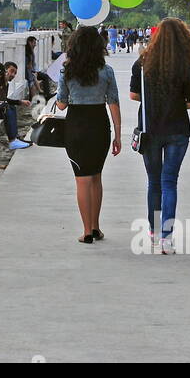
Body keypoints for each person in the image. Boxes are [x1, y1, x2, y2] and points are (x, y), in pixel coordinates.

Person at [129, 18, 190, 254]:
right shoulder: (186, 65)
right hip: (177, 129)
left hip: (150, 129)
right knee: (170, 182)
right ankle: (167, 239)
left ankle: (154, 231)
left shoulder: (142, 62)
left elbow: (133, 95)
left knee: (154, 182)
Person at [55, 26, 123, 244]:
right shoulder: (107, 71)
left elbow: (62, 104)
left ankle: (85, 231)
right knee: (95, 177)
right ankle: (95, 227)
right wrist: (118, 135)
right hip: (99, 124)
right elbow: (113, 103)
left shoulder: (67, 70)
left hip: (76, 125)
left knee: (81, 180)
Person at [0, 62, 33, 149]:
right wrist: (19, 102)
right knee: (8, 108)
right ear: (5, 71)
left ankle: (15, 138)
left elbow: (3, 99)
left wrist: (20, 102)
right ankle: (12, 141)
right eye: (11, 71)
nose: (13, 75)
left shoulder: (6, 83)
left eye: (15, 73)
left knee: (11, 107)